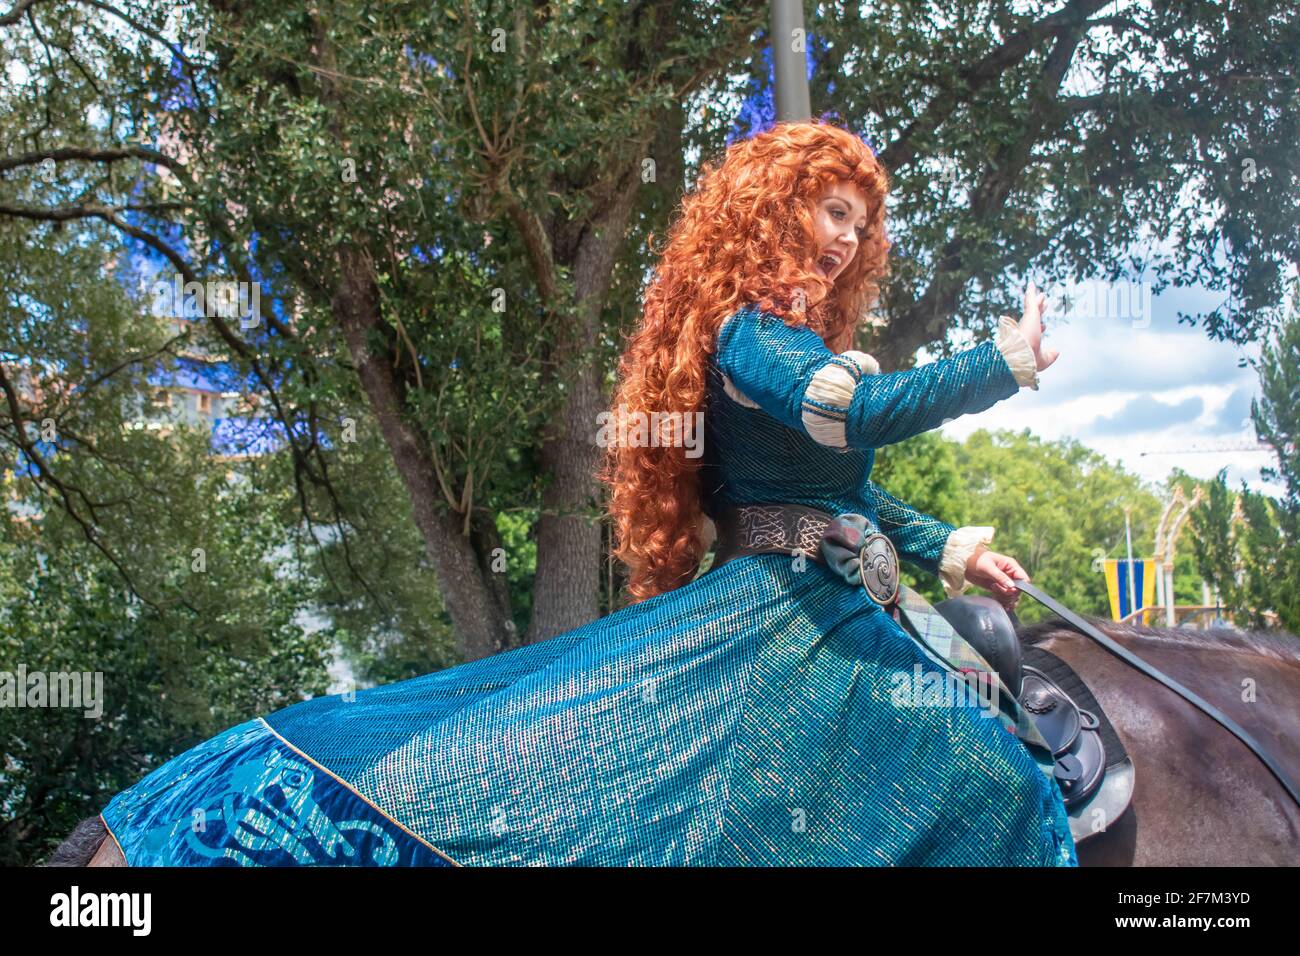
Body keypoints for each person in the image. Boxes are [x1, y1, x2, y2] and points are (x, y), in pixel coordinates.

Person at [96, 119, 1074, 867]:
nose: (847, 240)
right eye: (832, 212)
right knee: (1002, 785)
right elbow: (860, 416)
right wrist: (1001, 361)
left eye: (859, 225)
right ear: (775, 211)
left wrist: (952, 548)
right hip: (784, 623)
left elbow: (847, 498)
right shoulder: (752, 337)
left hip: (836, 608)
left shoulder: (797, 342)